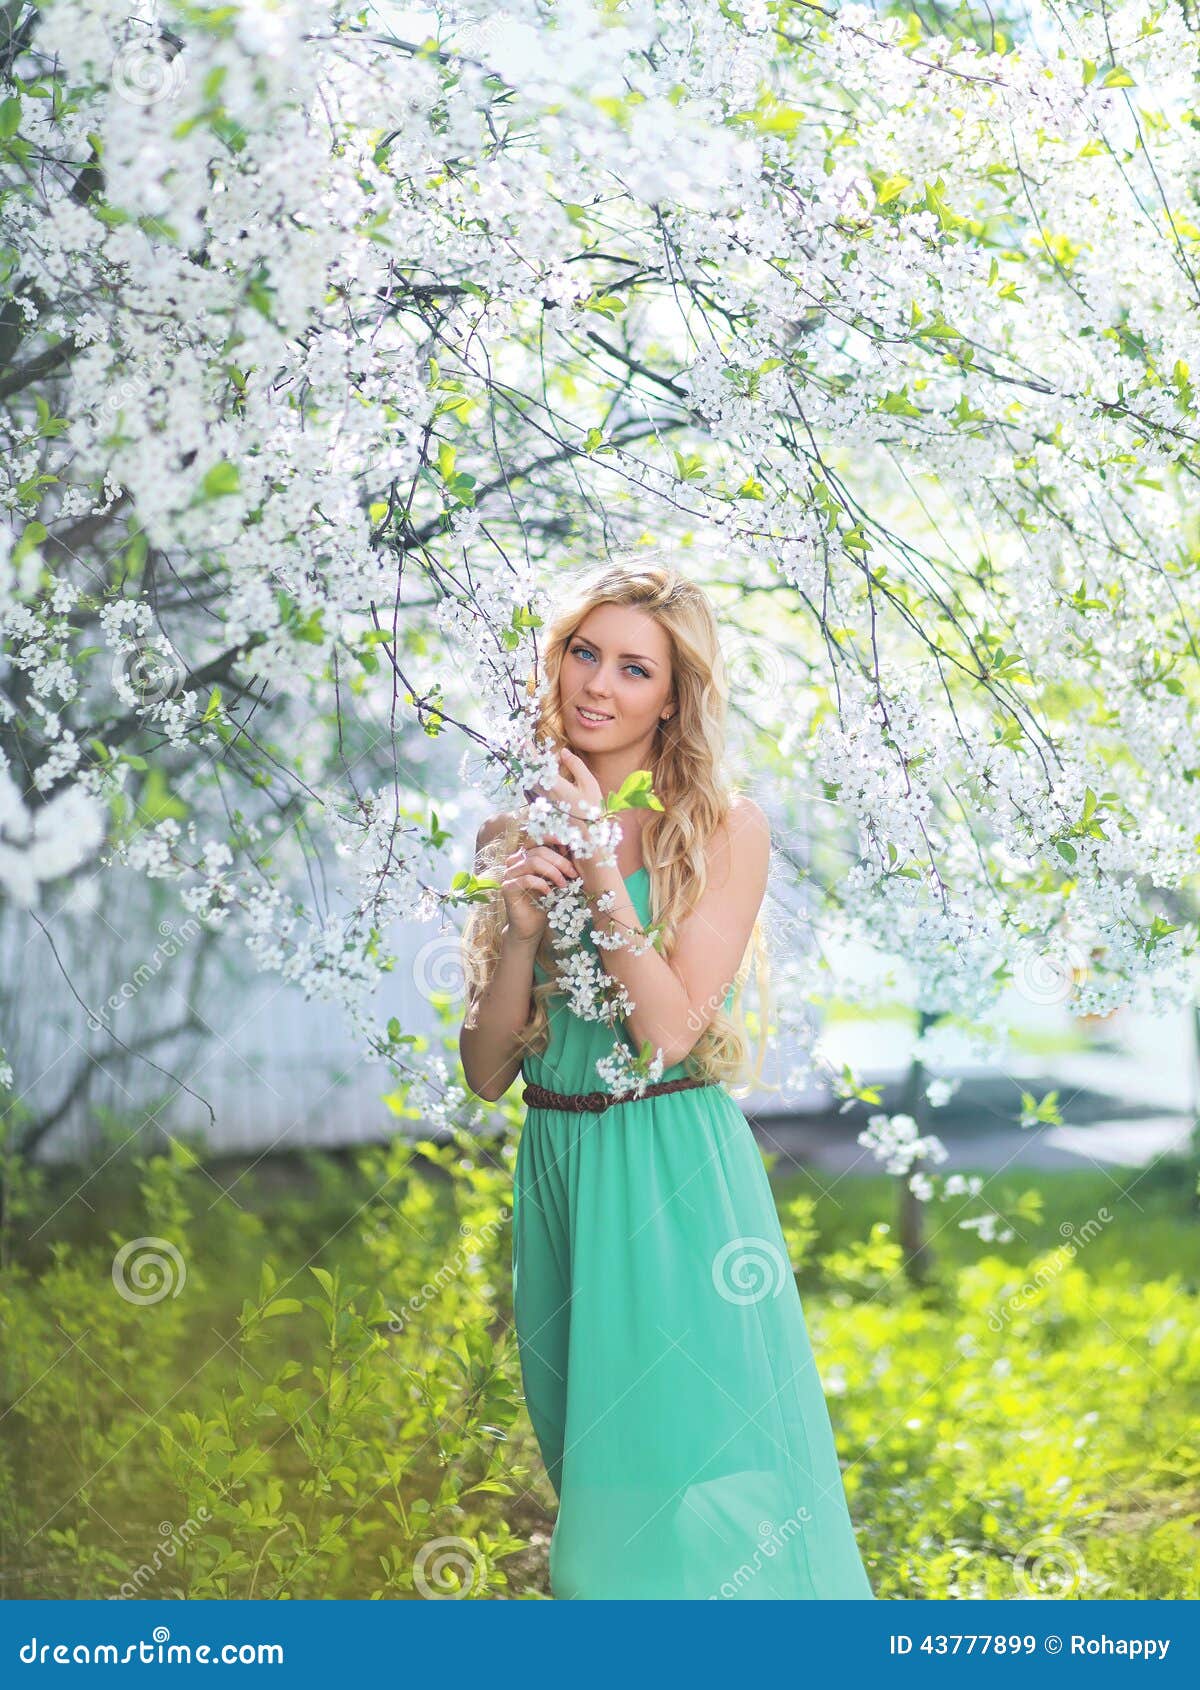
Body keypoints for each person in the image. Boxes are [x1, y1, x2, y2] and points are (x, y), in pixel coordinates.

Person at [459, 554, 875, 1600]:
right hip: (561, 1158)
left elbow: (668, 1030)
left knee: (704, 1471)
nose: (596, 685)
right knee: (590, 1467)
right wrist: (515, 930)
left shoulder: (724, 828)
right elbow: (483, 1071)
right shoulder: (514, 827)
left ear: (674, 696)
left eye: (633, 669)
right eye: (582, 654)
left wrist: (601, 866)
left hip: (671, 1162)